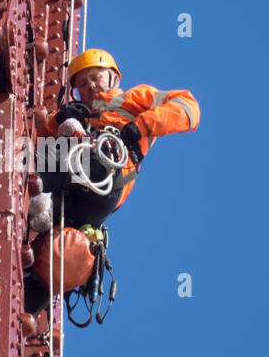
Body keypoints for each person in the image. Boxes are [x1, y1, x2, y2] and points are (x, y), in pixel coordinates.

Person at [23, 48, 200, 312]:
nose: (90, 85)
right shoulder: (73, 111)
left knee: (64, 149)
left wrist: (140, 126)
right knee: (60, 254)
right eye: (82, 83)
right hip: (78, 190)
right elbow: (38, 145)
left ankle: (49, 190)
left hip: (105, 175)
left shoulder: (135, 98)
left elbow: (188, 107)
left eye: (96, 77)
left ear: (113, 77)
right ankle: (27, 300)